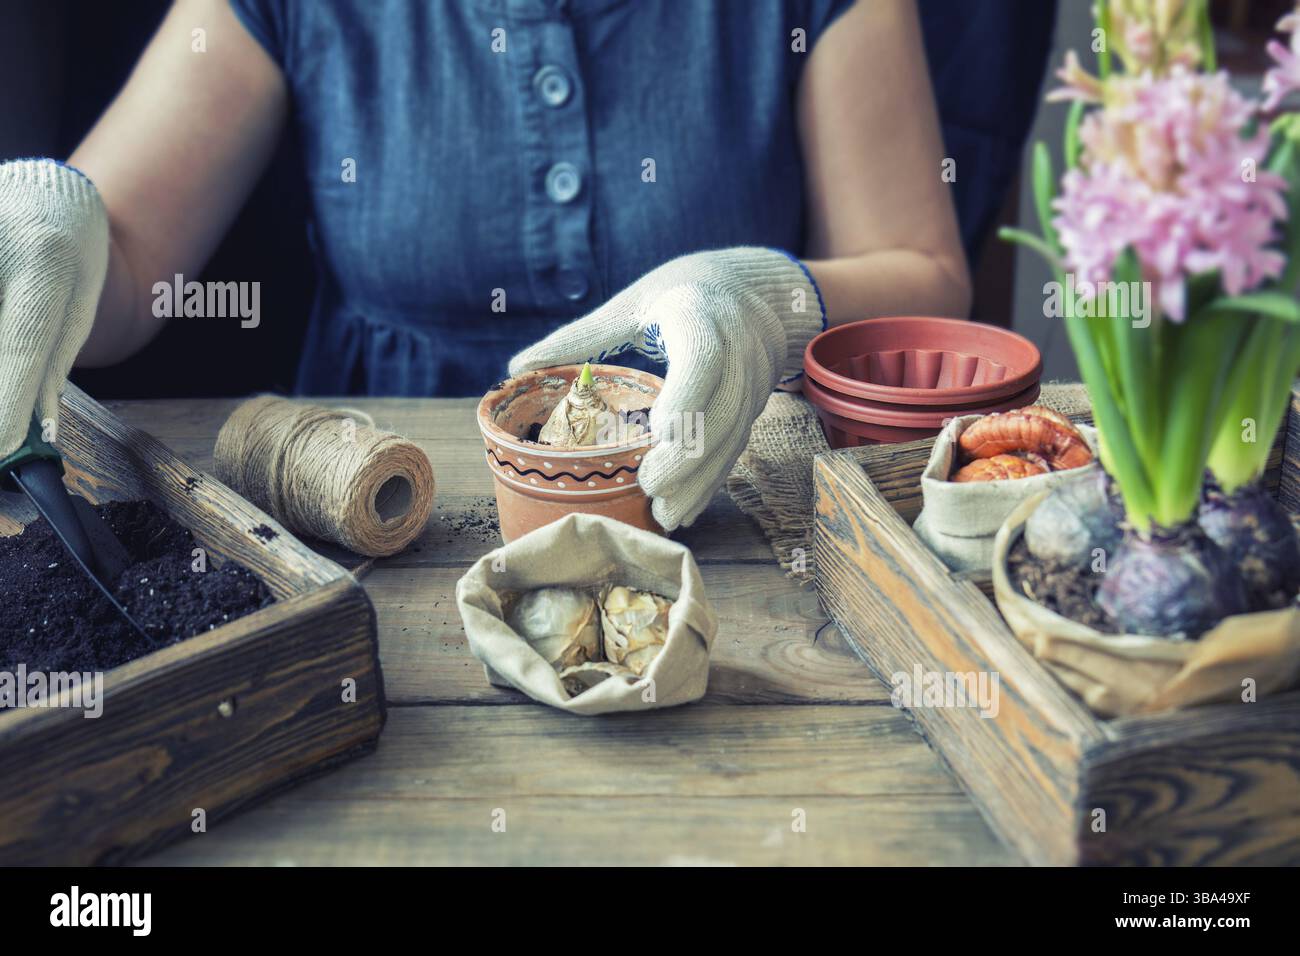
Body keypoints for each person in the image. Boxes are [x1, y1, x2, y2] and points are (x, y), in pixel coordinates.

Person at [0, 0, 973, 532]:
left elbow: (928, 274)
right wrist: (54, 225)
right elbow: (126, 273)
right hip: (367, 521)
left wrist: (764, 300)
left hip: (713, 514)